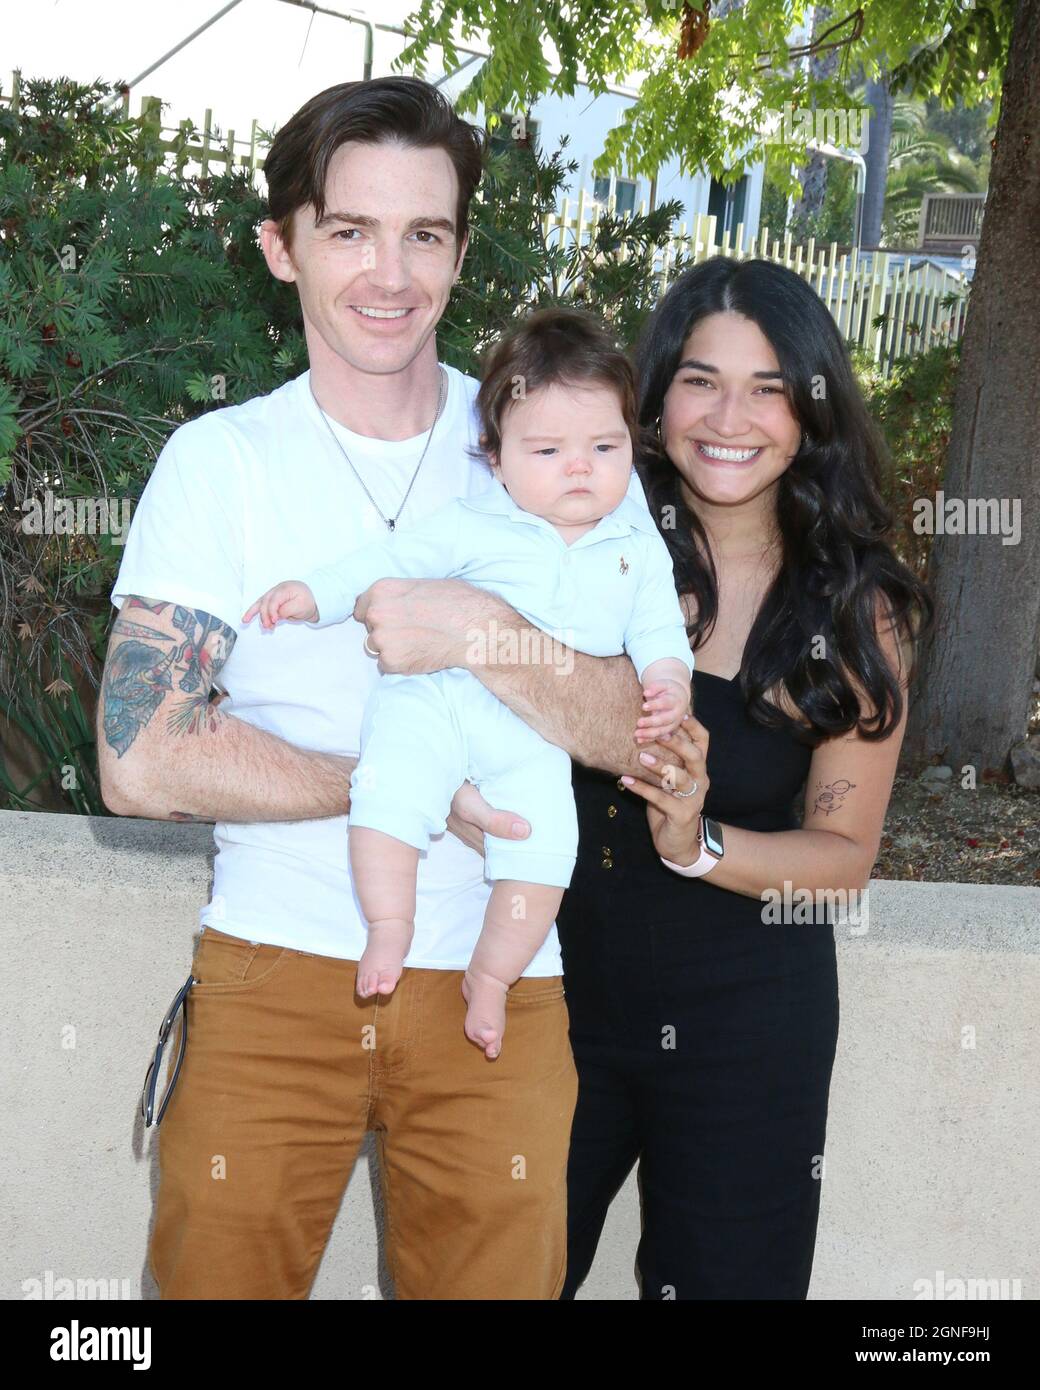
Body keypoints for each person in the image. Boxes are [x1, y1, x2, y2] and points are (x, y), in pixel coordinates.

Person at [97, 77, 690, 1300]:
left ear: (461, 252)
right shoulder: (221, 464)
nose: (389, 272)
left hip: (500, 990)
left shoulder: (554, 446)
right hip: (274, 972)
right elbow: (140, 754)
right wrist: (398, 789)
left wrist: (479, 628)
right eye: (349, 229)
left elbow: (629, 731)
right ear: (282, 246)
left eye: (423, 233)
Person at [556, 256, 933, 1300]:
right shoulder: (577, 554)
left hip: (747, 1025)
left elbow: (840, 861)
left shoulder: (858, 607)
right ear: (654, 393)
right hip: (546, 994)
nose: (730, 416)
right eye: (699, 379)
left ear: (811, 410)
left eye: (769, 387)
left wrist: (695, 842)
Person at [242, 308, 693, 1059]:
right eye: (548, 449)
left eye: (605, 447)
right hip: (436, 700)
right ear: (497, 457)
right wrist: (313, 597)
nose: (579, 467)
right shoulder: (474, 524)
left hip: (531, 732)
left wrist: (669, 678)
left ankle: (491, 976)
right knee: (388, 788)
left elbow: (657, 633)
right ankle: (391, 926)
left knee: (546, 847)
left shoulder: (634, 551)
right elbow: (382, 565)